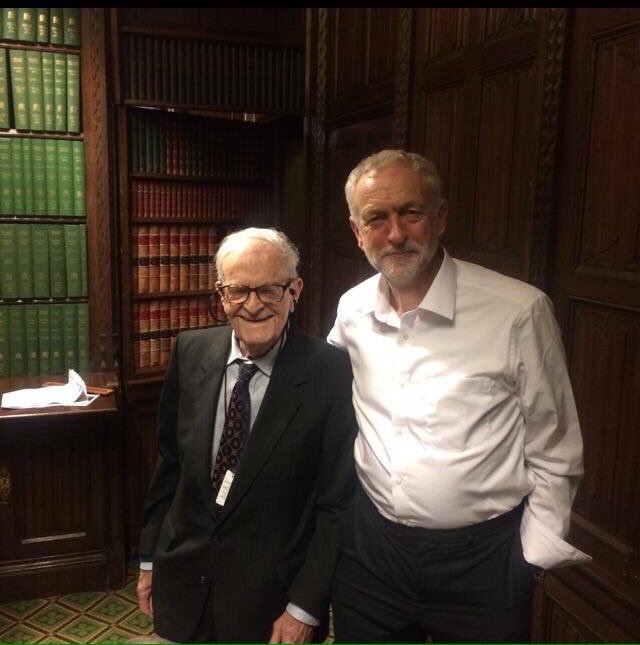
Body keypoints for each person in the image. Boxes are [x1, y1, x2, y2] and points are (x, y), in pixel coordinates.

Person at [327, 149, 590, 643]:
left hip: (482, 564)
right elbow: (330, 402)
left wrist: (528, 560)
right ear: (357, 231)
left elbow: (555, 447)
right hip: (372, 554)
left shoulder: (518, 311)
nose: (395, 234)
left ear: (441, 216)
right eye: (376, 219)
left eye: (411, 212)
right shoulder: (351, 310)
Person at [137, 227, 357, 644]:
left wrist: (304, 607)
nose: (253, 305)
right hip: (186, 585)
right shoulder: (189, 351)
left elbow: (335, 506)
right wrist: (149, 559)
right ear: (221, 295)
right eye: (238, 290)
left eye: (270, 289)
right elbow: (169, 467)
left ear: (294, 291)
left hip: (271, 604)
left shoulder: (329, 372)